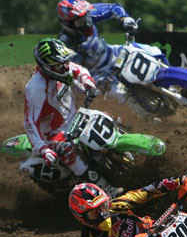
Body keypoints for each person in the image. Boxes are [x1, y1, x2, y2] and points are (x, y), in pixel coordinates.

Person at [21, 38, 120, 196]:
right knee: (68, 153)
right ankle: (106, 190)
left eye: (66, 61)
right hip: (52, 133)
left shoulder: (61, 68)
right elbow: (29, 122)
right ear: (47, 67)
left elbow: (78, 70)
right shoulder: (36, 88)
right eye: (60, 65)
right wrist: (43, 149)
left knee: (109, 118)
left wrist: (87, 82)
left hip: (73, 117)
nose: (66, 67)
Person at [56, 0, 138, 81]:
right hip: (98, 76)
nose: (87, 23)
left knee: (150, 52)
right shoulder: (64, 45)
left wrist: (124, 19)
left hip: (113, 54)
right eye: (81, 21)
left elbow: (114, 7)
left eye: (86, 16)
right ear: (68, 25)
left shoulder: (87, 13)